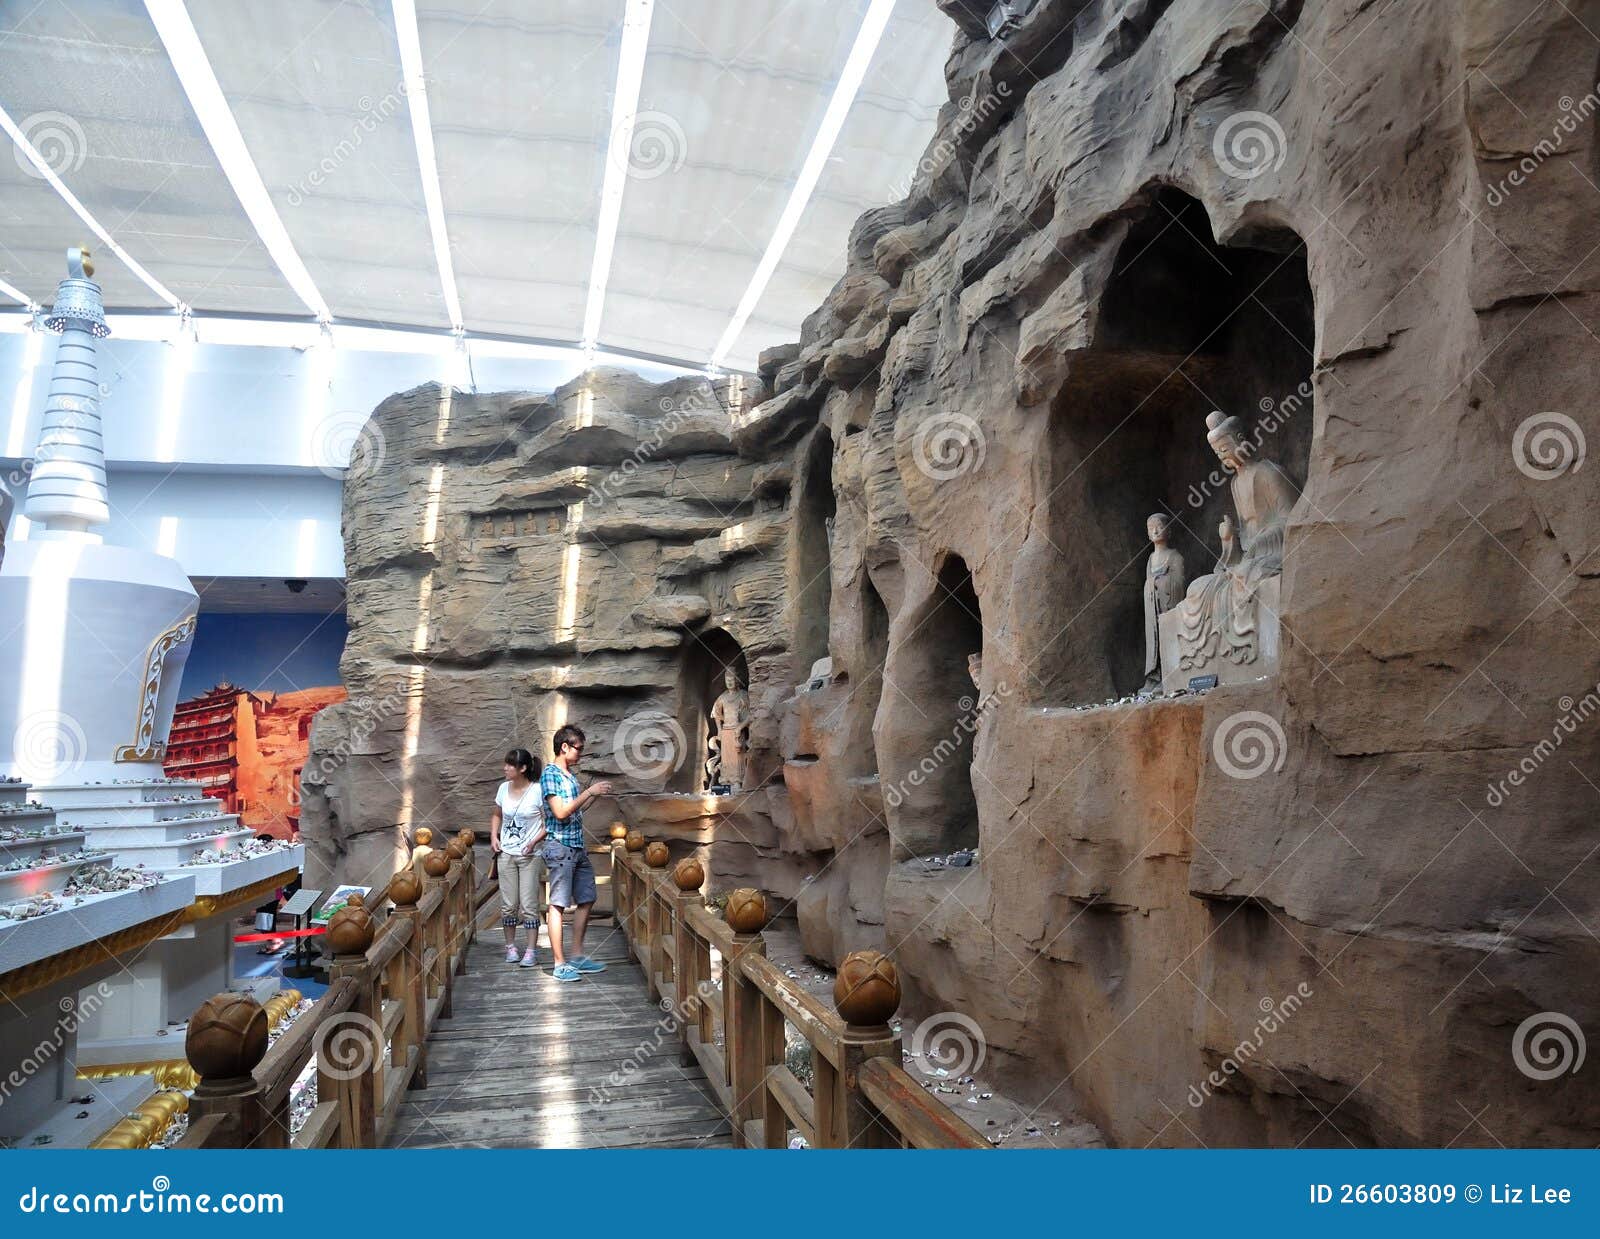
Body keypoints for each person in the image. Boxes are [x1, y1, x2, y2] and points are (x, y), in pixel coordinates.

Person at [539, 724, 612, 982]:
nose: (581, 753)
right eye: (578, 748)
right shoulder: (550, 774)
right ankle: (559, 963)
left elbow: (575, 811)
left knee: (587, 897)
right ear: (564, 747)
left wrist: (594, 795)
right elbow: (559, 812)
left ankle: (577, 956)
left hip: (577, 846)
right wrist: (589, 792)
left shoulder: (569, 776)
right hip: (560, 847)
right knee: (557, 904)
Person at [489, 748, 545, 968]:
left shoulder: (538, 791)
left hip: (530, 855)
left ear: (522, 768)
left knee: (529, 905)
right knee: (508, 905)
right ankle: (510, 947)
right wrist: (495, 836)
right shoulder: (503, 788)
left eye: (510, 765)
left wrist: (534, 841)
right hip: (506, 854)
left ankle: (531, 950)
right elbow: (496, 814)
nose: (505, 768)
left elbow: (547, 822)